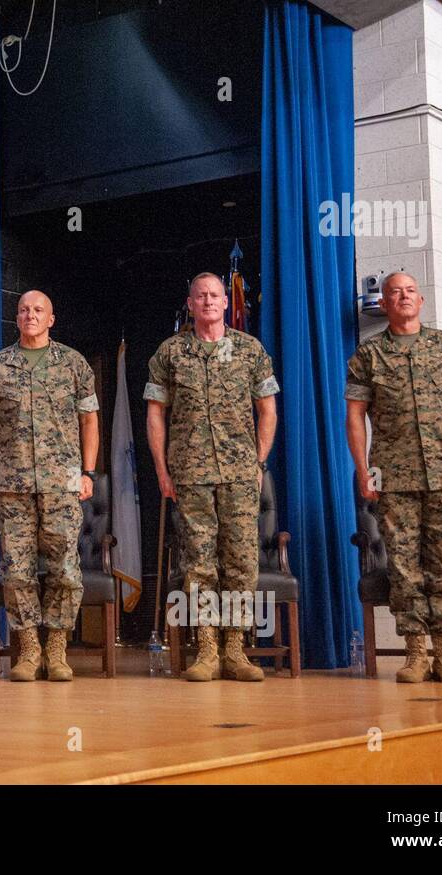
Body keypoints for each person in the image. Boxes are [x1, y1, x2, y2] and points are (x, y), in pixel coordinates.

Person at [345, 272, 442, 683]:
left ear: (420, 300)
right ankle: (416, 652)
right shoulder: (367, 356)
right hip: (393, 476)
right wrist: (363, 469)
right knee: (404, 565)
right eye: (393, 293)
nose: (402, 297)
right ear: (383, 304)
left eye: (409, 292)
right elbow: (355, 418)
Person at [144, 273, 279, 681]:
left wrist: (257, 463)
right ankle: (206, 650)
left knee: (239, 562)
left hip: (239, 473)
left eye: (215, 296)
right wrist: (162, 470)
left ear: (225, 303)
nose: (208, 302)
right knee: (198, 563)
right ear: (190, 303)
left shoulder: (250, 350)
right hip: (190, 474)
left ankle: (235, 650)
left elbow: (268, 411)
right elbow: (155, 415)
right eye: (200, 296)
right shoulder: (170, 353)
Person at [0, 290, 99, 682]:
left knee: (65, 569)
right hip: (12, 485)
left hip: (62, 485)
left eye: (38, 309)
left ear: (51, 318)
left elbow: (89, 421)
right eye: (24, 309)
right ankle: (28, 650)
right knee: (17, 570)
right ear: (17, 317)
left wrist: (88, 473)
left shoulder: (74, 364)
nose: (30, 315)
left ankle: (57, 650)